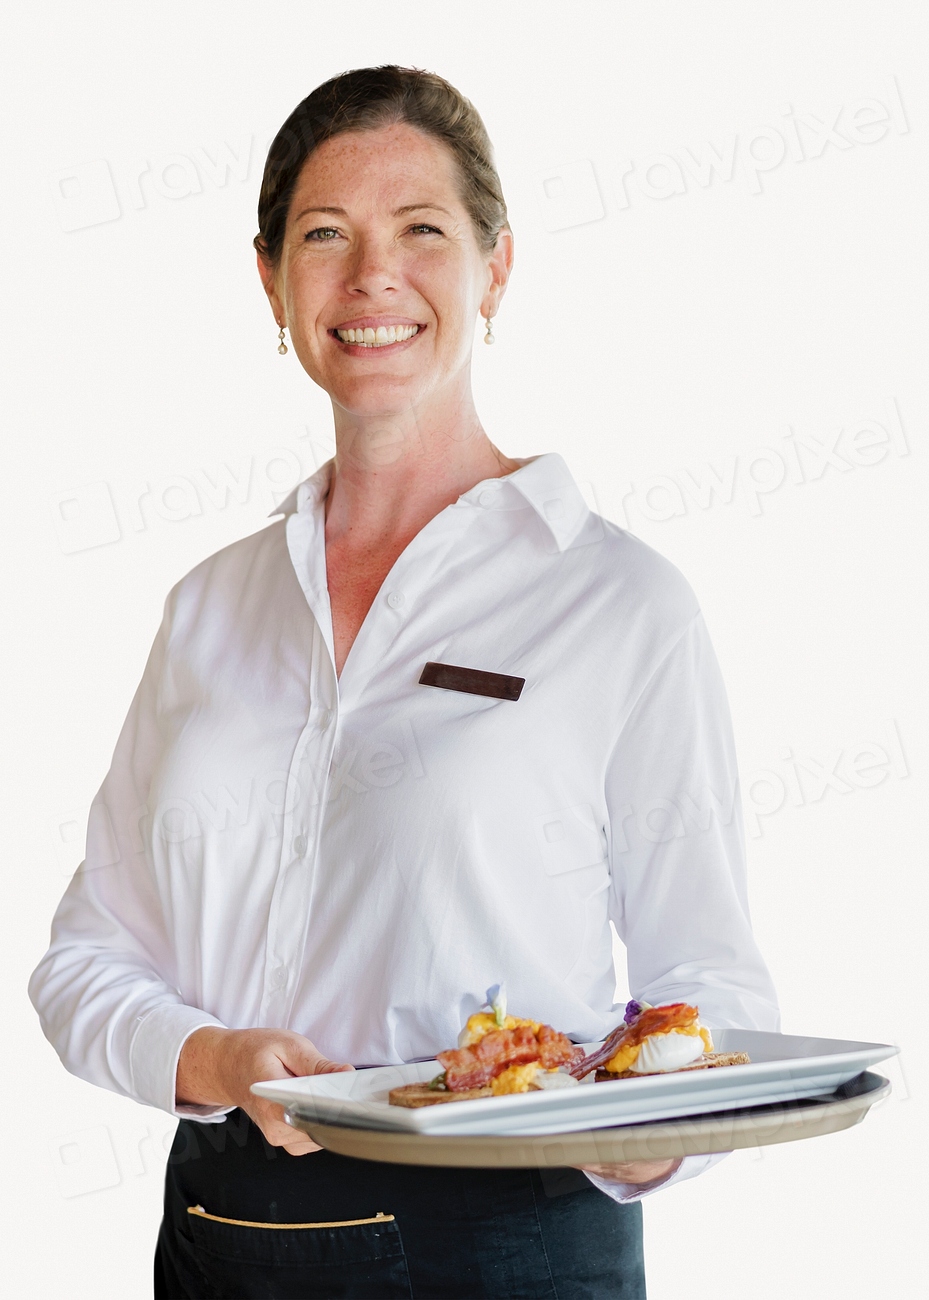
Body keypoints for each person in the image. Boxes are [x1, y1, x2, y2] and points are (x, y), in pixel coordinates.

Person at [30, 65, 779, 1298]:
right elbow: (84, 960)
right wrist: (214, 1059)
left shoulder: (618, 605)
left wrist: (652, 1139)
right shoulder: (211, 606)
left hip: (503, 1242)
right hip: (219, 1230)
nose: (372, 274)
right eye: (324, 236)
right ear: (270, 282)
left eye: (421, 230)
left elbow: (709, 983)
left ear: (495, 269)